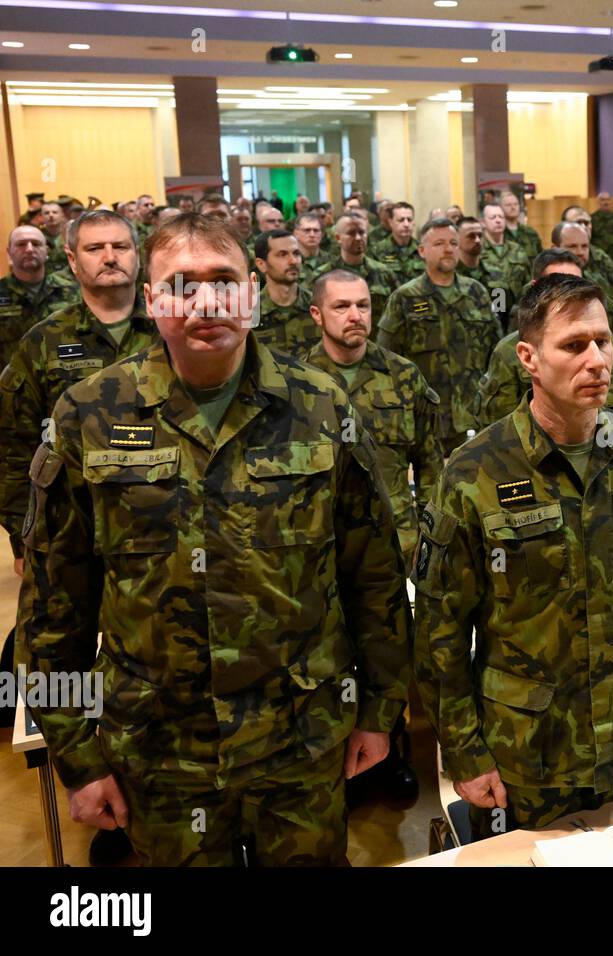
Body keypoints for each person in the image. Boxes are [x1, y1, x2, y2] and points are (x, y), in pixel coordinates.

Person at [16, 213, 411, 866]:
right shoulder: (90, 413)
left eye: (224, 280)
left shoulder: (320, 406)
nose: (206, 302)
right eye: (182, 284)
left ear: (252, 292)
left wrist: (379, 710)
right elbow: (54, 602)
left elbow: (371, 574)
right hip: (161, 749)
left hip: (302, 741)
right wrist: (77, 756)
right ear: (151, 300)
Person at [414, 273, 613, 837]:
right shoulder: (474, 471)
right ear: (529, 358)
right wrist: (465, 754)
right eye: (573, 345)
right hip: (527, 754)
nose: (596, 360)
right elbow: (440, 633)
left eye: (603, 341)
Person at [1, 211, 155, 564]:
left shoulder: (170, 330)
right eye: (94, 248)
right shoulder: (43, 341)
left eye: (120, 246)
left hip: (162, 525)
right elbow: (13, 445)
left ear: (137, 254)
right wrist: (21, 534)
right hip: (70, 528)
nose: (110, 256)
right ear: (72, 259)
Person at [306, 269, 443, 566]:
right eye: (341, 306)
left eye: (363, 305)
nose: (355, 315)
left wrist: (430, 535)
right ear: (317, 314)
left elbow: (430, 464)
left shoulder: (403, 375)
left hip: (396, 541)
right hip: (321, 544)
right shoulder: (297, 381)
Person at [378, 218, 499, 450]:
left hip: (472, 415)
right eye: (439, 243)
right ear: (422, 250)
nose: (448, 249)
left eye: (453, 243)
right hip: (425, 416)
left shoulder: (476, 292)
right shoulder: (405, 297)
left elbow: (495, 352)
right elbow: (385, 359)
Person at [474, 249, 613, 429]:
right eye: (572, 346)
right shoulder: (508, 351)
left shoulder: (602, 342)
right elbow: (497, 423)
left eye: (576, 283)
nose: (597, 360)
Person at [1, 226, 79, 372]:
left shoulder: (73, 291)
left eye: (36, 244)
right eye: (21, 244)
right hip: (10, 386)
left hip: (62, 382)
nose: (29, 249)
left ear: (47, 251)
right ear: (9, 252)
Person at [308, 214, 399, 322]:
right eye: (351, 233)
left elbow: (397, 311)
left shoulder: (383, 272)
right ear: (338, 238)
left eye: (362, 232)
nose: (358, 238)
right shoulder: (322, 275)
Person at [252, 229, 316, 358]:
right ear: (261, 264)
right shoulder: (249, 312)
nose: (293, 261)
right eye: (282, 254)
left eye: (296, 253)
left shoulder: (318, 306)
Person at [455, 216, 515, 331]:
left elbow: (502, 312)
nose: (477, 240)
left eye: (480, 235)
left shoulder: (496, 274)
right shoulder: (450, 277)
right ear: (457, 239)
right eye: (471, 236)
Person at [479, 202, 531, 301]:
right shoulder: (478, 250)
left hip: (516, 309)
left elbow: (527, 282)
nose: (498, 220)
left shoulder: (517, 249)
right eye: (493, 217)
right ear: (483, 222)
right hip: (489, 310)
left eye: (501, 217)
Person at [371, 202, 423, 282]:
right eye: (401, 220)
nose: (406, 224)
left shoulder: (423, 251)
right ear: (391, 222)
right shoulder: (377, 251)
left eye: (409, 220)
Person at [499, 191, 542, 262]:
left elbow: (540, 258)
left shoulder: (530, 232)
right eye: (508, 205)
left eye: (515, 204)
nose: (513, 207)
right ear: (501, 208)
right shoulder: (499, 233)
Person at [590, 192, 613, 265]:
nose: (606, 202)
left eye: (608, 200)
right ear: (598, 202)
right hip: (598, 258)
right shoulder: (592, 219)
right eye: (603, 200)